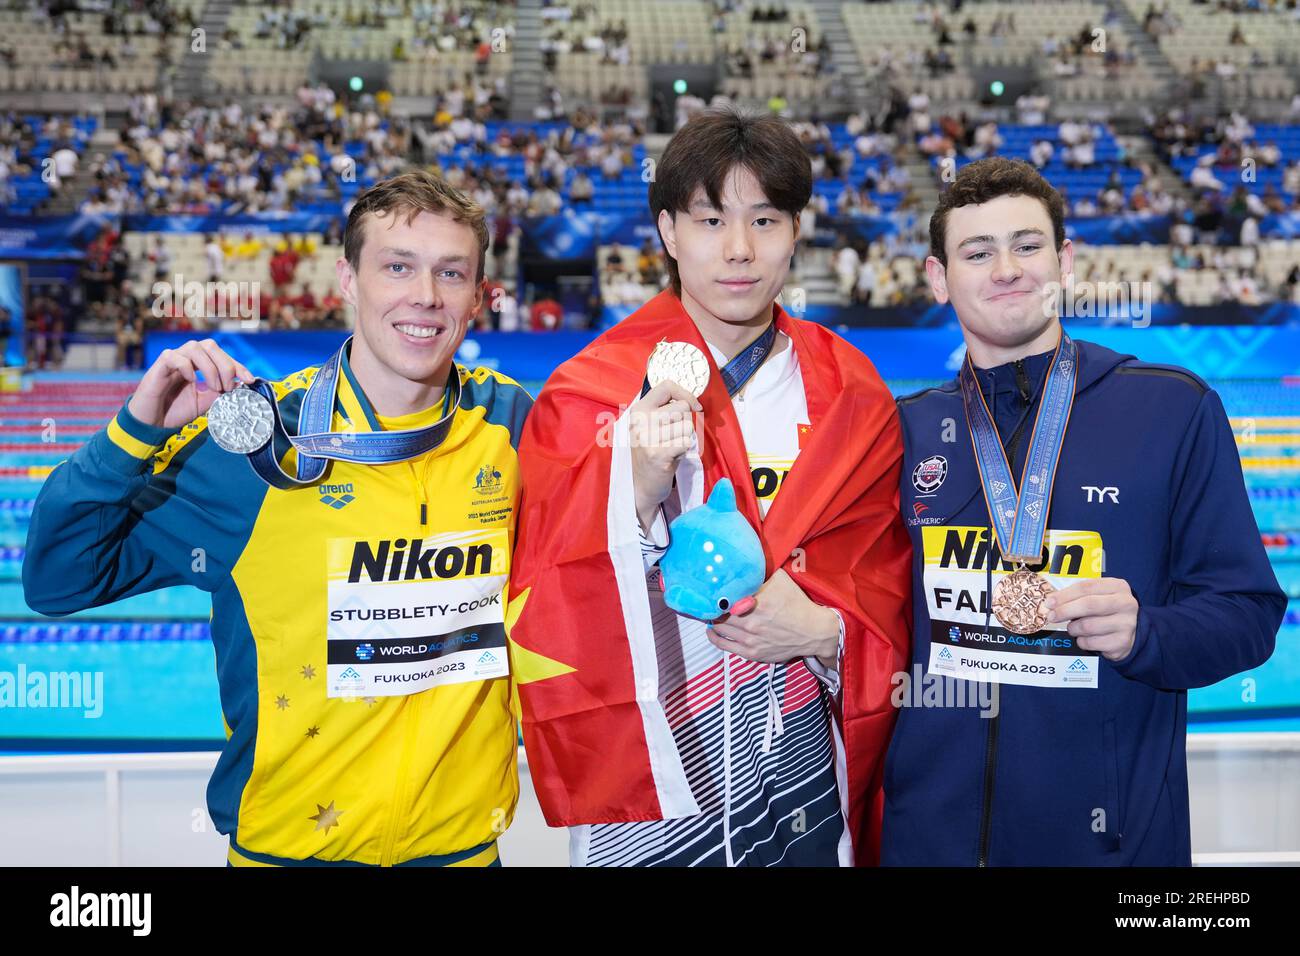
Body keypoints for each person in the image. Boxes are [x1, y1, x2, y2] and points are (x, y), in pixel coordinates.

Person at [24, 169, 532, 867]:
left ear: (479, 294)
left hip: (464, 855)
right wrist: (133, 433)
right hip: (287, 855)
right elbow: (57, 581)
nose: (425, 296)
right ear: (348, 279)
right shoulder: (255, 445)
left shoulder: (509, 426)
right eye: (397, 267)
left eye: (452, 273)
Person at [507, 108, 911, 867]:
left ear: (797, 230)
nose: (738, 249)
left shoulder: (852, 394)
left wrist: (828, 637)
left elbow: (885, 582)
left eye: (765, 219)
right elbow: (541, 588)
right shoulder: (589, 393)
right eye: (709, 219)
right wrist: (630, 492)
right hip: (653, 795)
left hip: (804, 775)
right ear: (667, 232)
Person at [884, 157, 1284, 865]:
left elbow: (1248, 613)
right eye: (977, 252)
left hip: (1110, 848)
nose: (1006, 268)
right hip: (930, 843)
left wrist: (1146, 633)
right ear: (938, 278)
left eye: (1027, 245)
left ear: (1065, 261)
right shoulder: (905, 432)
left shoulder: (1170, 408)